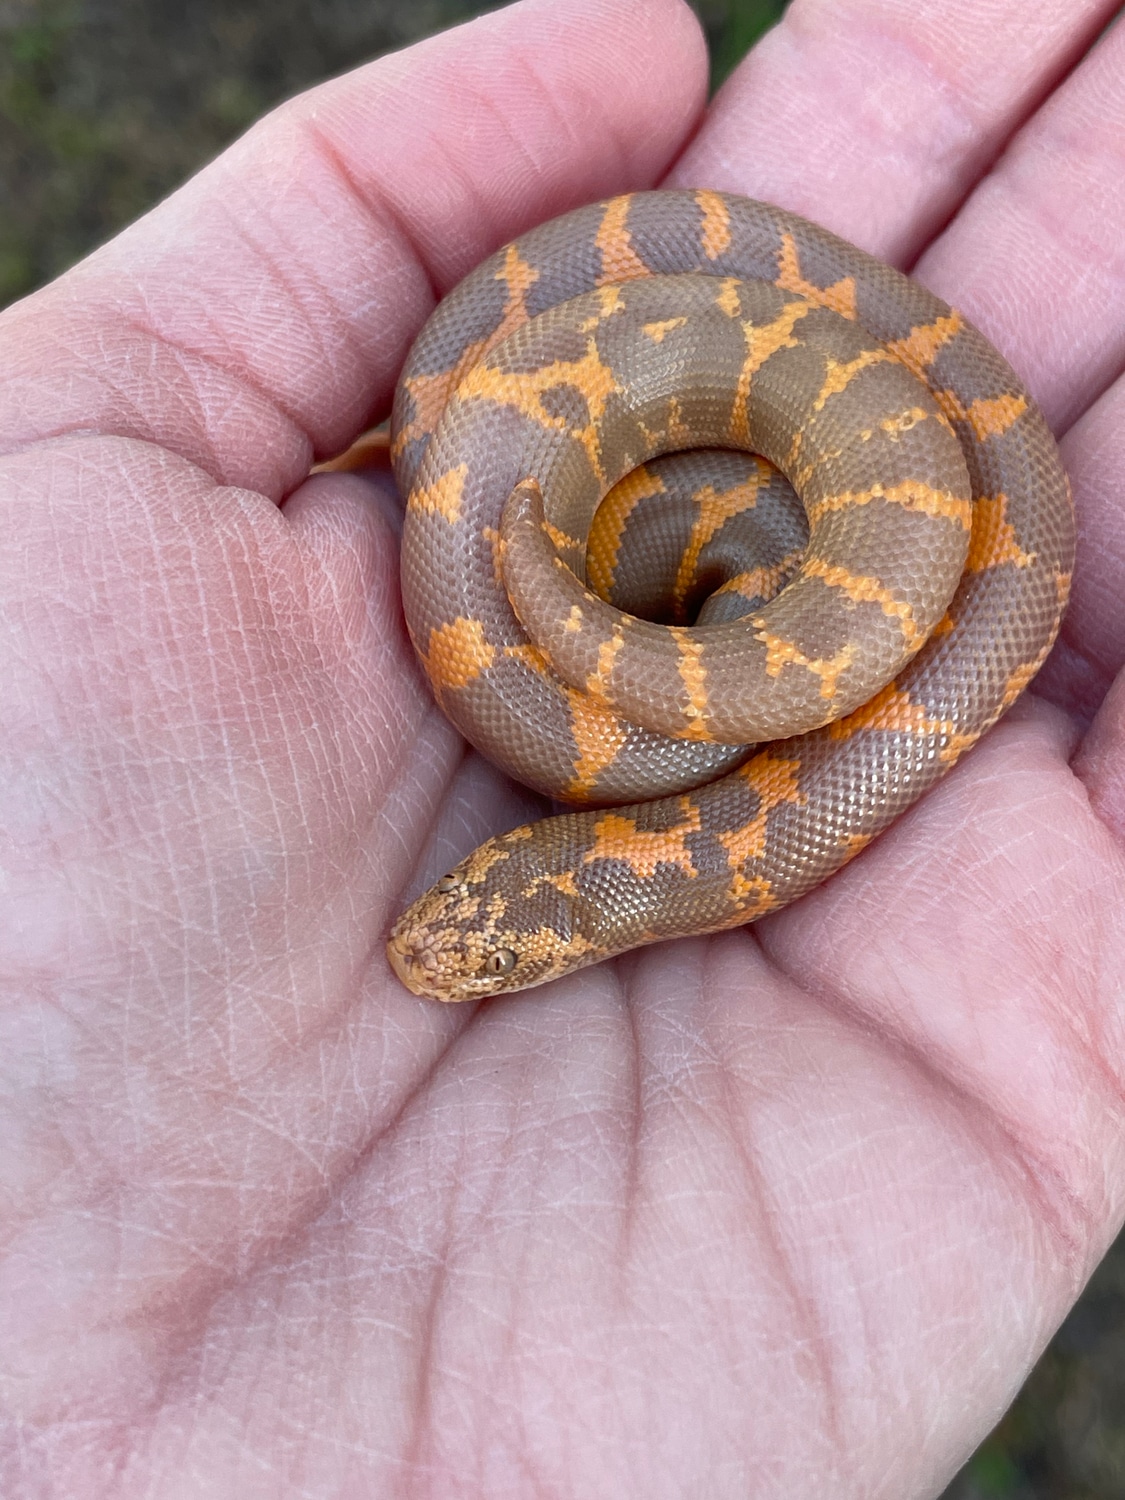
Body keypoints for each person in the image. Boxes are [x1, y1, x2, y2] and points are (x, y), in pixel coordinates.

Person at [2, 0, 1122, 1491]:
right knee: (699, 609)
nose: (439, 953)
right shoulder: (678, 800)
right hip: (705, 557)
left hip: (761, 532)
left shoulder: (684, 770)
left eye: (482, 948)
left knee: (768, 583)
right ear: (569, 884)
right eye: (491, 949)